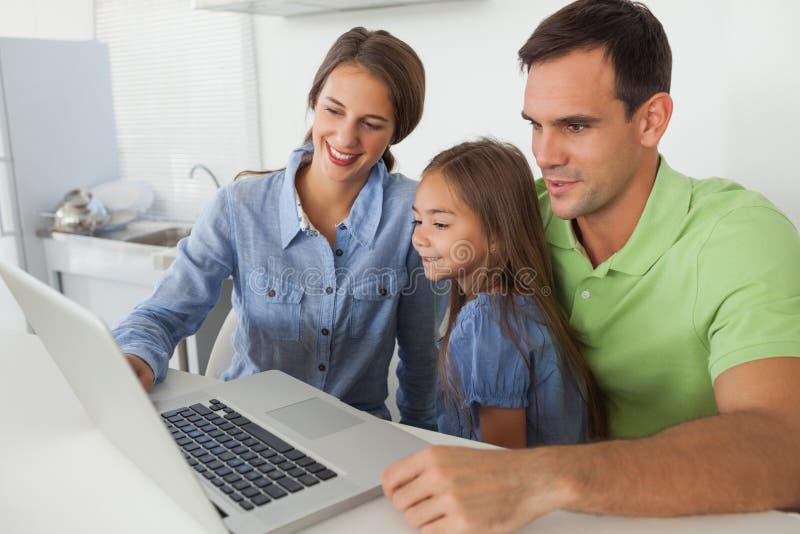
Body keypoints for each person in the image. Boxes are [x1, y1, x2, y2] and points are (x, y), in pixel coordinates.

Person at [382, 0, 800, 530]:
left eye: (575, 126)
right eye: (536, 125)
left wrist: (537, 477)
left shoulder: (740, 236)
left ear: (651, 120)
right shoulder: (517, 221)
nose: (546, 153)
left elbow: (785, 447)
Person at [114, 27, 438, 429]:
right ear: (314, 102)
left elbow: (422, 356)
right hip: (244, 428)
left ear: (395, 132)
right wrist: (134, 358)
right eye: (333, 110)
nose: (345, 136)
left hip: (355, 435)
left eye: (371, 123)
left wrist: (425, 441)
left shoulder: (413, 213)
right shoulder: (240, 206)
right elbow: (163, 314)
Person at [411, 139, 606, 448]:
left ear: (497, 235)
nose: (419, 237)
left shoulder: (488, 322)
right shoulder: (519, 305)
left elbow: (501, 464)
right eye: (418, 220)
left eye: (440, 223)